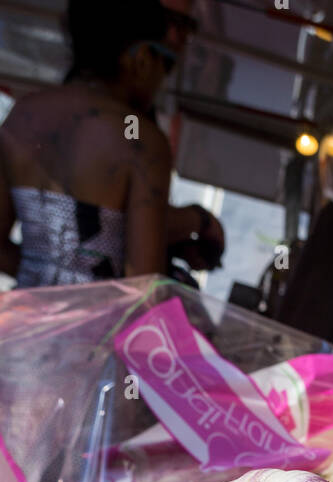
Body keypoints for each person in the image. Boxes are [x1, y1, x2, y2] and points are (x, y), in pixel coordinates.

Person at [0, 0, 222, 286]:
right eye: (164, 64)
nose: (161, 80)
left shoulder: (23, 114)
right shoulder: (140, 140)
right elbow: (142, 284)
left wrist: (46, 277)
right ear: (141, 57)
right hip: (101, 329)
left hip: (24, 325)